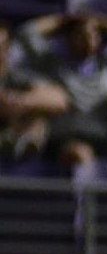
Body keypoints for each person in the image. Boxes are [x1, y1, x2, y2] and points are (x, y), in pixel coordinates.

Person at [16, 12, 107, 170]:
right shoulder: (53, 64)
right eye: (81, 34)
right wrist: (64, 20)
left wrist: (102, 21)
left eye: (94, 34)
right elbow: (25, 34)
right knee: (81, 154)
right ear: (69, 38)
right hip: (65, 139)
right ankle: (86, 194)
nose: (89, 38)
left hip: (104, 139)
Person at [0, 21, 70, 162]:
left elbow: (60, 99)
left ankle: (23, 144)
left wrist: (20, 102)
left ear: (8, 49)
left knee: (38, 116)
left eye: (1, 47)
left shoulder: (17, 77)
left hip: (17, 135)